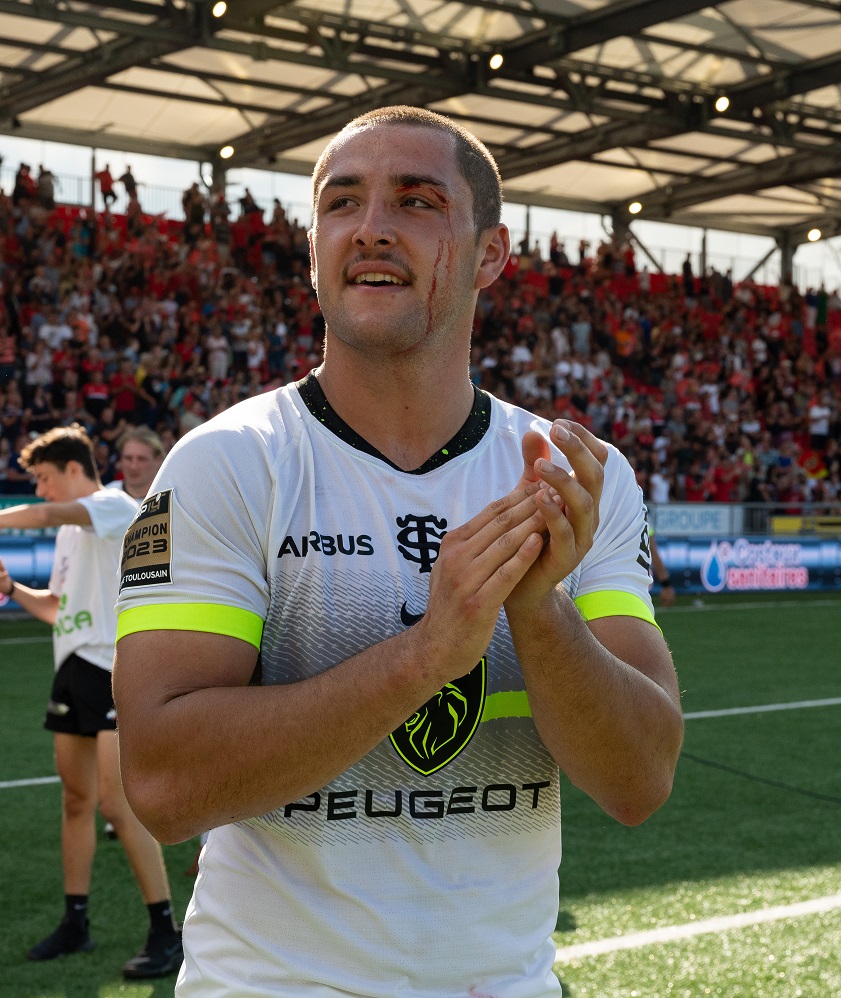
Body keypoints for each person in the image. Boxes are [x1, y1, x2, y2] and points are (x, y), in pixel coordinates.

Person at [111, 106, 681, 996]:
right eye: (342, 203)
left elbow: (640, 780)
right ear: (314, 250)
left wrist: (538, 607)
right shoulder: (229, 464)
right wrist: (426, 655)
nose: (371, 226)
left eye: (416, 201)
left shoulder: (576, 476)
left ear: (490, 255)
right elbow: (160, 783)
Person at [0, 427, 181, 979]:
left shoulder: (109, 506)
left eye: (44, 477)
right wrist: (10, 589)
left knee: (116, 804)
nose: (42, 488)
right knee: (77, 802)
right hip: (73, 670)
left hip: (114, 670)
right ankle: (75, 922)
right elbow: (57, 609)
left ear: (73, 469)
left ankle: (165, 930)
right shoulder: (69, 531)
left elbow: (49, 516)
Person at [113, 428, 163, 503]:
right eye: (128, 458)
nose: (134, 466)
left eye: (141, 459)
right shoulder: (105, 498)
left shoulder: (171, 501)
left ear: (158, 460)